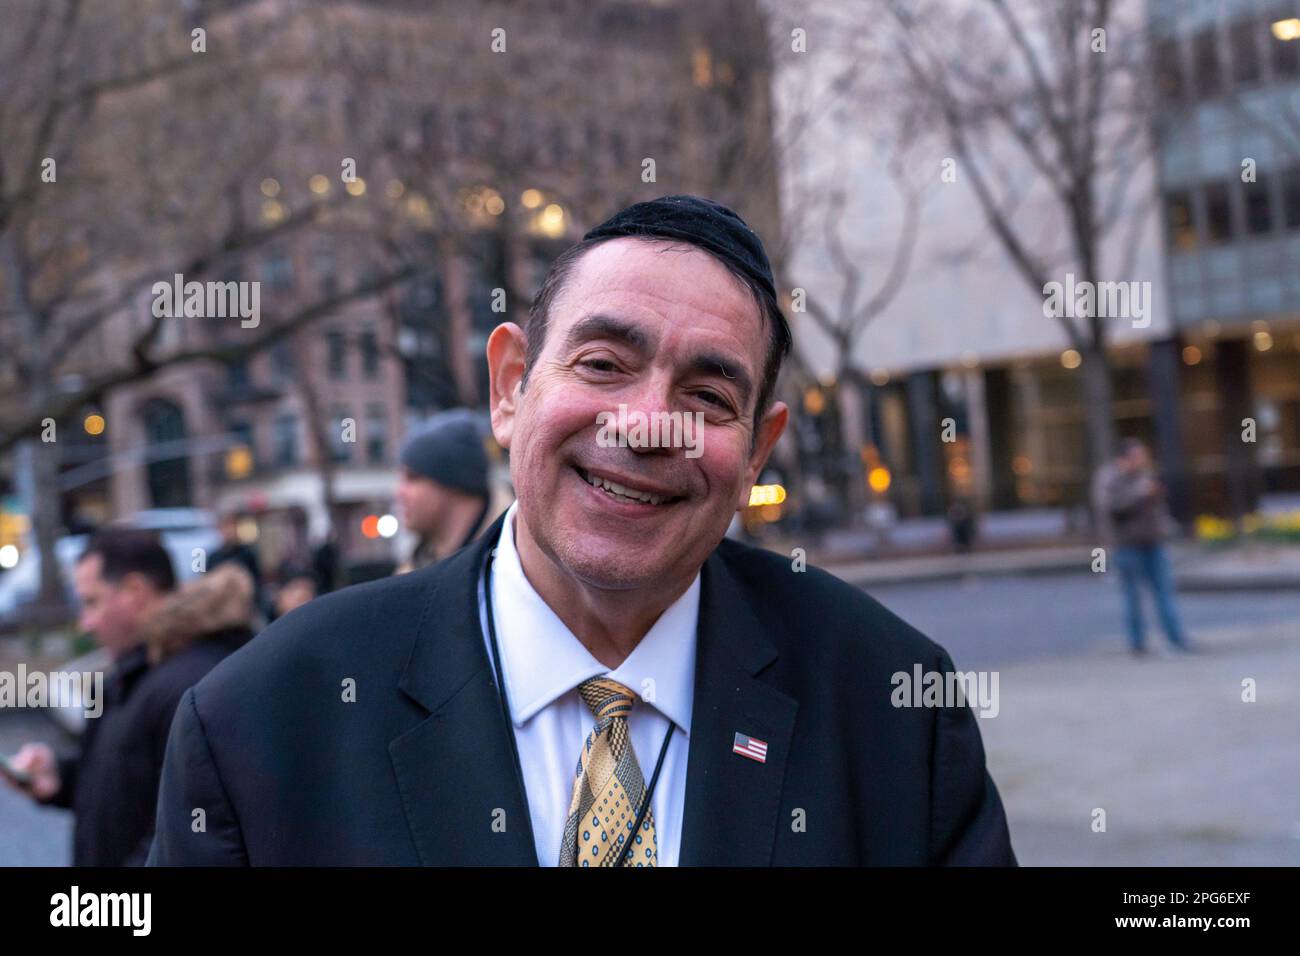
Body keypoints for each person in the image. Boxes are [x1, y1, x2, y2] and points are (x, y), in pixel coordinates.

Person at [148, 195, 1015, 866]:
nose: (646, 425)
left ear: (758, 451)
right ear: (510, 387)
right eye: (603, 365)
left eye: (708, 399)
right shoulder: (265, 720)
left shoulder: (896, 710)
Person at [3, 531, 254, 865]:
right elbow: (129, 786)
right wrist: (60, 777)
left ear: (135, 591)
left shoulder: (188, 685)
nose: (86, 623)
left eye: (92, 602)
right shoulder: (138, 672)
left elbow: (185, 839)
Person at [1105, 438, 1192, 656]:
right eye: (1136, 457)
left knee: (1164, 592)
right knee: (1132, 598)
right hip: (1128, 547)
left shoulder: (1148, 478)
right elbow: (1112, 509)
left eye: (1143, 456)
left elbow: (1158, 511)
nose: (1141, 461)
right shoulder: (1113, 480)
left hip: (1154, 544)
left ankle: (1176, 638)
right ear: (1123, 460)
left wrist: (1167, 528)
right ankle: (1137, 644)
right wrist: (1137, 492)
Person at [394, 408, 493, 572]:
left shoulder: (512, 562)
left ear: (454, 480)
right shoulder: (412, 570)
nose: (399, 493)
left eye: (413, 478)